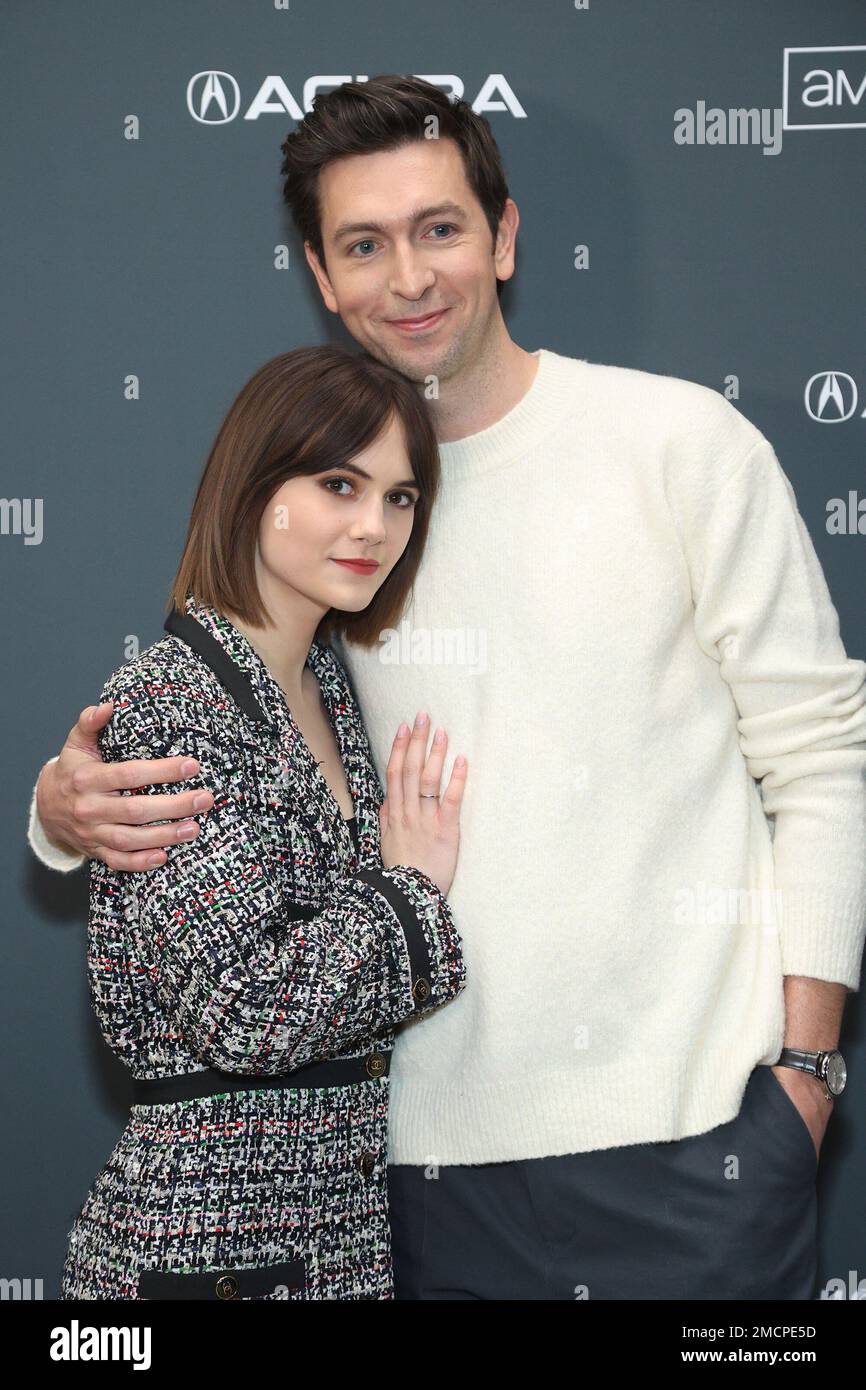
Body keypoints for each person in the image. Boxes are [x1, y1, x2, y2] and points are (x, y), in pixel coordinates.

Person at [32, 76, 865, 1300]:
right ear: (321, 275)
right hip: (403, 1180)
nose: (408, 278)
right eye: (363, 244)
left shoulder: (680, 446)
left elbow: (820, 759)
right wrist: (58, 820)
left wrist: (802, 1074)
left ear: (504, 236)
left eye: (438, 229)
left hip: (697, 1153)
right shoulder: (323, 532)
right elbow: (220, 757)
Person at [59, 344, 468, 1300]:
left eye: (401, 498)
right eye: (339, 484)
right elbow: (246, 1010)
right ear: (255, 484)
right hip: (209, 1251)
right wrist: (409, 897)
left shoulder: (328, 681)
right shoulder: (172, 701)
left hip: (332, 1241)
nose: (375, 526)